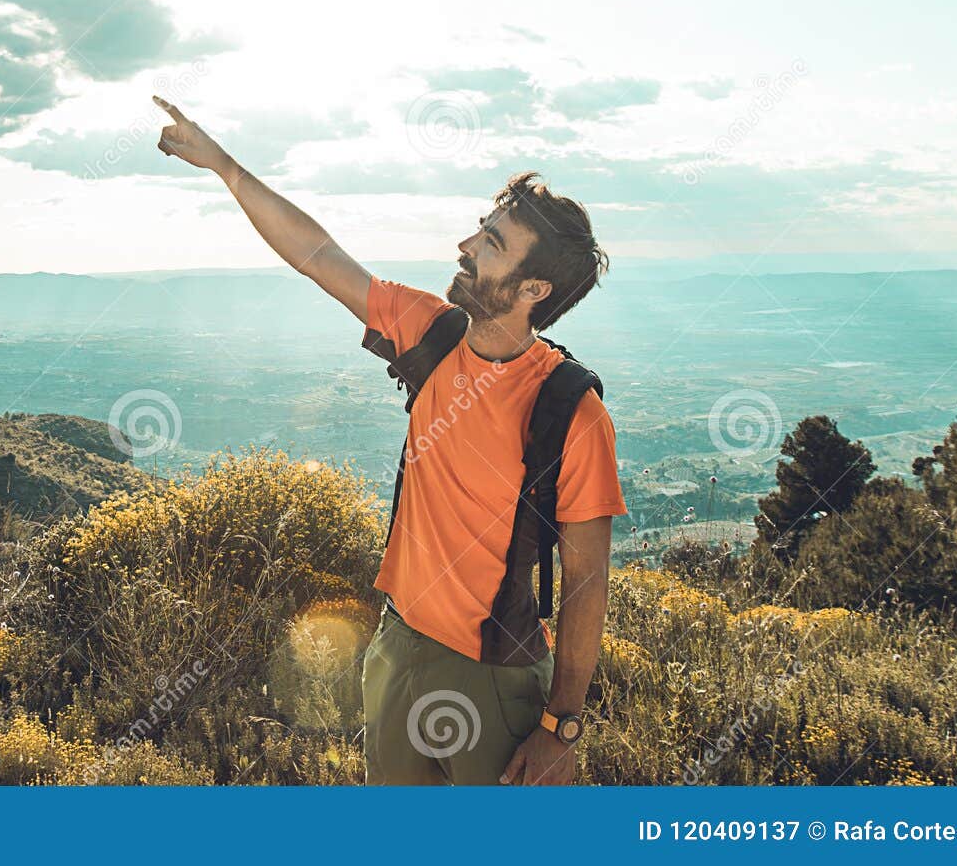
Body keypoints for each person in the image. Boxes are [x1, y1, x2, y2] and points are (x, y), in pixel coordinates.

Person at [153, 95, 625, 785]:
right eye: (481, 230)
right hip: (397, 646)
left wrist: (561, 726)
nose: (465, 247)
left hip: (495, 680)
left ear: (534, 288)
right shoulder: (431, 332)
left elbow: (587, 582)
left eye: (491, 244)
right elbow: (317, 255)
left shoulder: (570, 411)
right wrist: (224, 166)